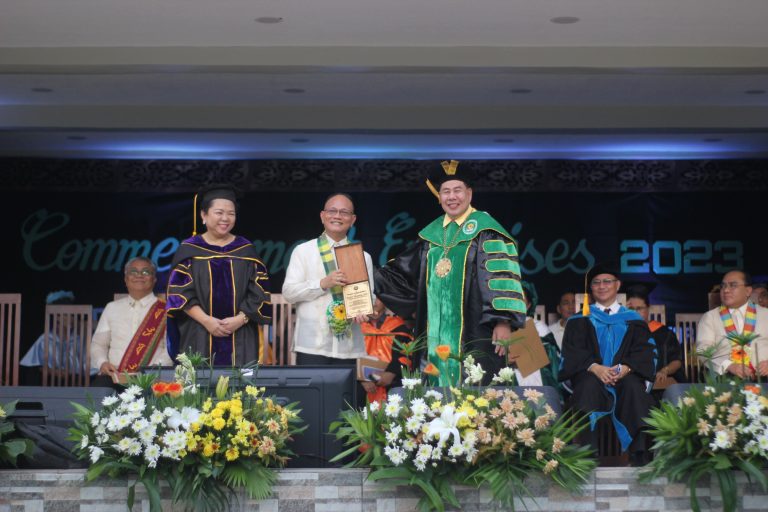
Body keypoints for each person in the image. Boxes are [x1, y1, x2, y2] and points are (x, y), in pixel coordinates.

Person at [375, 161, 526, 386]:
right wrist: (363, 274)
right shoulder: (431, 235)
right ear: (439, 196)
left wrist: (502, 322)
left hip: (476, 332)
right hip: (434, 336)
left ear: (469, 193)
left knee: (479, 392)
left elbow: (501, 280)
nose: (451, 197)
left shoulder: (486, 230)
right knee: (433, 390)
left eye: (457, 190)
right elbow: (401, 275)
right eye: (446, 191)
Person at [559, 262, 657, 461]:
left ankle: (639, 455)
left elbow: (645, 351)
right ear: (591, 288)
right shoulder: (578, 320)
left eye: (607, 281)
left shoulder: (633, 320)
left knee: (632, 388)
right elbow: (572, 353)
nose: (602, 286)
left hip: (625, 376)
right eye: (596, 283)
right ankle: (587, 454)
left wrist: (625, 368)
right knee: (587, 385)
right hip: (591, 376)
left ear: (617, 285)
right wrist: (595, 368)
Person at [166, 185, 272, 366]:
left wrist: (240, 319)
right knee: (198, 389)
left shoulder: (245, 249)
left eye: (231, 213)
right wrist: (207, 321)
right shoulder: (190, 250)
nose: (225, 218)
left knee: (242, 388)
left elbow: (259, 292)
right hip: (199, 331)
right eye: (219, 212)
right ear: (203, 215)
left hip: (241, 334)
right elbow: (180, 295)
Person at [282, 193, 373, 364]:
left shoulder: (362, 256)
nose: (337, 216)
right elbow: (289, 292)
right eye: (332, 211)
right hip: (311, 344)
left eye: (344, 212)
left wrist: (365, 310)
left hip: (348, 346)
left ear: (353, 220)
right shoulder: (303, 251)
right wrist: (322, 284)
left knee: (345, 391)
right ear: (322, 216)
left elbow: (369, 297)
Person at [91, 257, 174, 387]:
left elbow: (171, 349)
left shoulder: (166, 310)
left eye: (146, 272)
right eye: (133, 272)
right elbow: (98, 344)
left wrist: (151, 370)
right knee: (98, 390)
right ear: (125, 279)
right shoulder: (111, 308)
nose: (139, 275)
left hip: (151, 377)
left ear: (154, 279)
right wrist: (102, 363)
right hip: (114, 376)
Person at [696, 269, 768, 379]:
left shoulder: (765, 314)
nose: (726, 290)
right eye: (723, 286)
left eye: (733, 285)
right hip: (725, 378)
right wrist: (729, 366)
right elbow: (703, 349)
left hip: (763, 378)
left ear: (748, 291)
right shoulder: (710, 317)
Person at [625, 284, 685, 389]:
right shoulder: (621, 333)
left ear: (648, 308)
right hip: (631, 386)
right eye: (630, 308)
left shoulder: (664, 333)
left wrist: (664, 370)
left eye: (639, 308)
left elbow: (677, 361)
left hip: (660, 385)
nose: (635, 313)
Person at [359, 298, 414, 403]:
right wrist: (362, 380)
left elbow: (406, 352)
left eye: (377, 297)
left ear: (385, 301)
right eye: (369, 296)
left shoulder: (398, 326)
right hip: (362, 388)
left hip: (393, 385)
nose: (373, 301)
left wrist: (392, 372)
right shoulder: (356, 329)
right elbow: (349, 356)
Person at [519, 281, 560, 390]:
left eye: (521, 300)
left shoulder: (538, 327)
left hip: (534, 388)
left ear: (528, 305)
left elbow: (552, 363)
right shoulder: (496, 328)